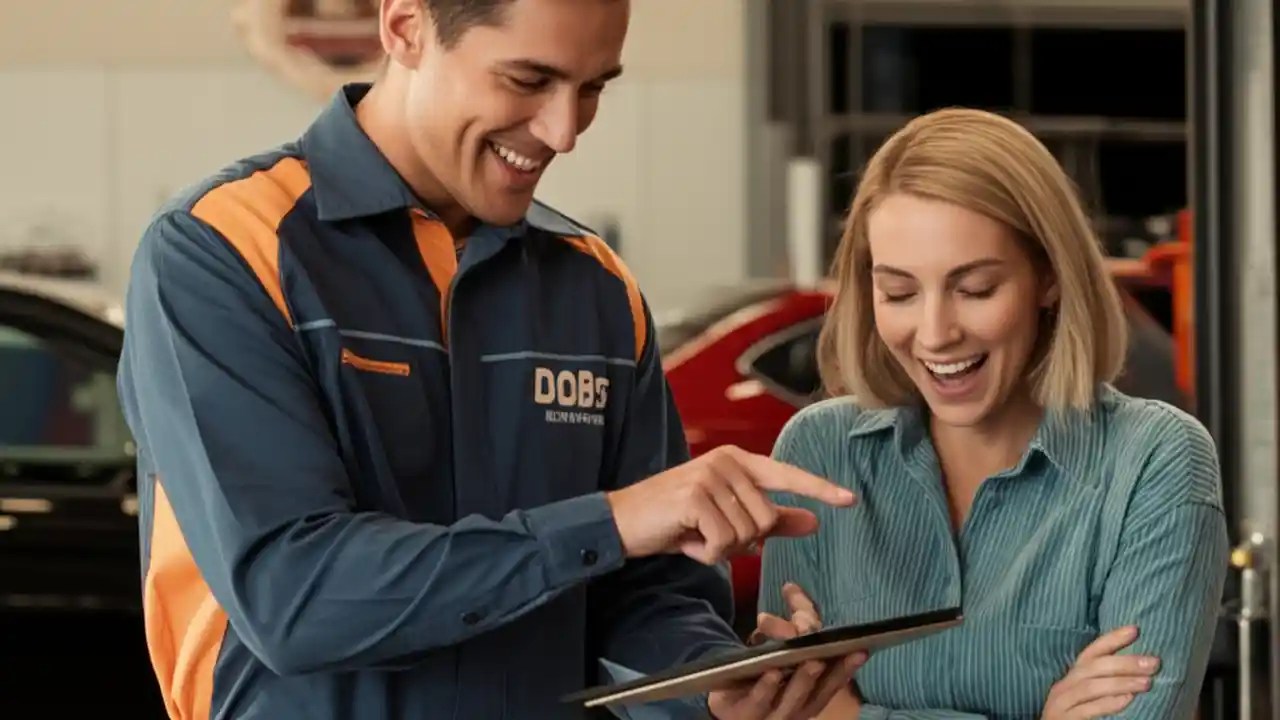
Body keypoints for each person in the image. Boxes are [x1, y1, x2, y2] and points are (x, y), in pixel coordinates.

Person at [114, 0, 867, 718]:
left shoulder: (596, 290)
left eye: (593, 87)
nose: (565, 130)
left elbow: (645, 595)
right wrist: (612, 521)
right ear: (406, 26)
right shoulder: (221, 251)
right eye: (529, 80)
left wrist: (712, 683)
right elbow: (296, 598)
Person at [753, 108, 1229, 719]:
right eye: (898, 292)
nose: (934, 333)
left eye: (975, 289)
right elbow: (791, 711)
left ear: (1050, 277)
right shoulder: (818, 451)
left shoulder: (1154, 461)